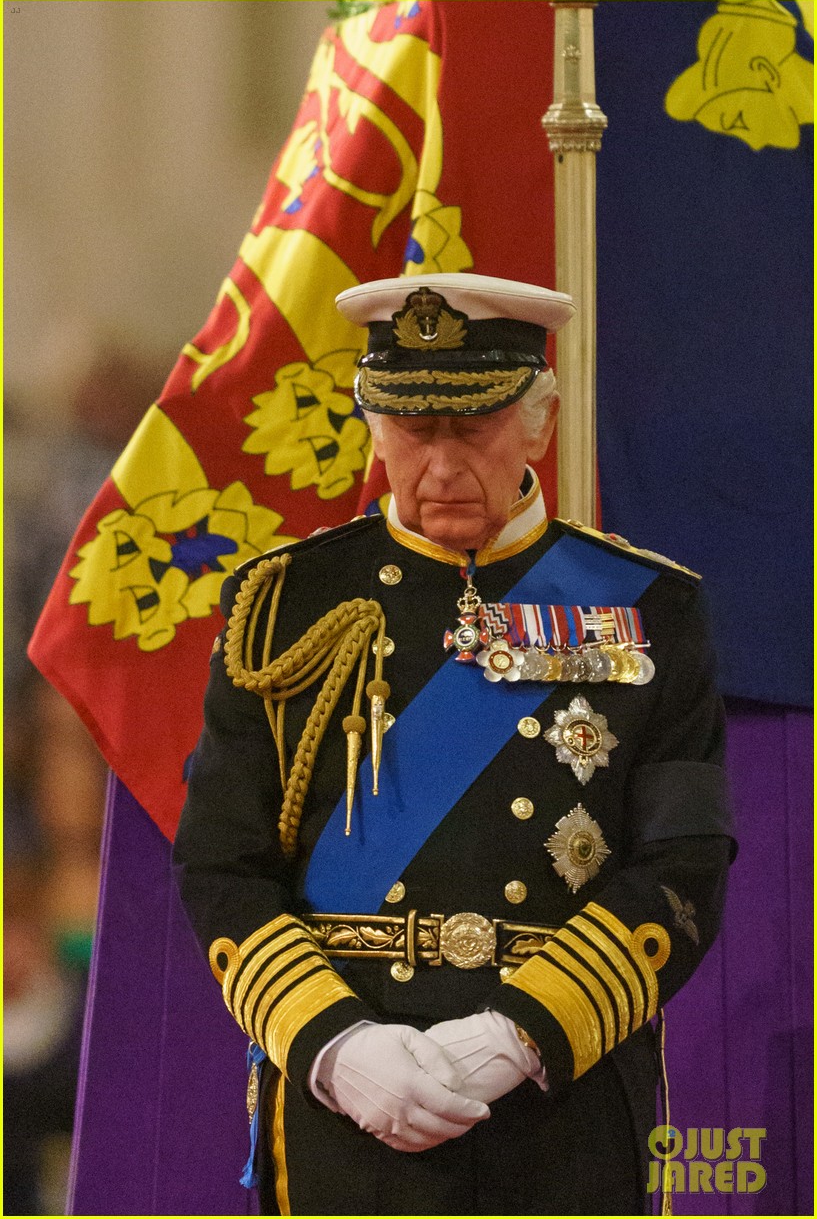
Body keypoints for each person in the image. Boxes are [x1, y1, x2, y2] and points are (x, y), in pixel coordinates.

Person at [173, 273, 734, 1215]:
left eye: (470, 429)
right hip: (348, 1102)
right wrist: (332, 1047)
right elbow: (220, 866)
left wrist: (522, 1034)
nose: (438, 466)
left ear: (536, 426)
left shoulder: (651, 608)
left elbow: (683, 867)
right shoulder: (280, 608)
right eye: (411, 430)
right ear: (373, 428)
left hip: (563, 1093)